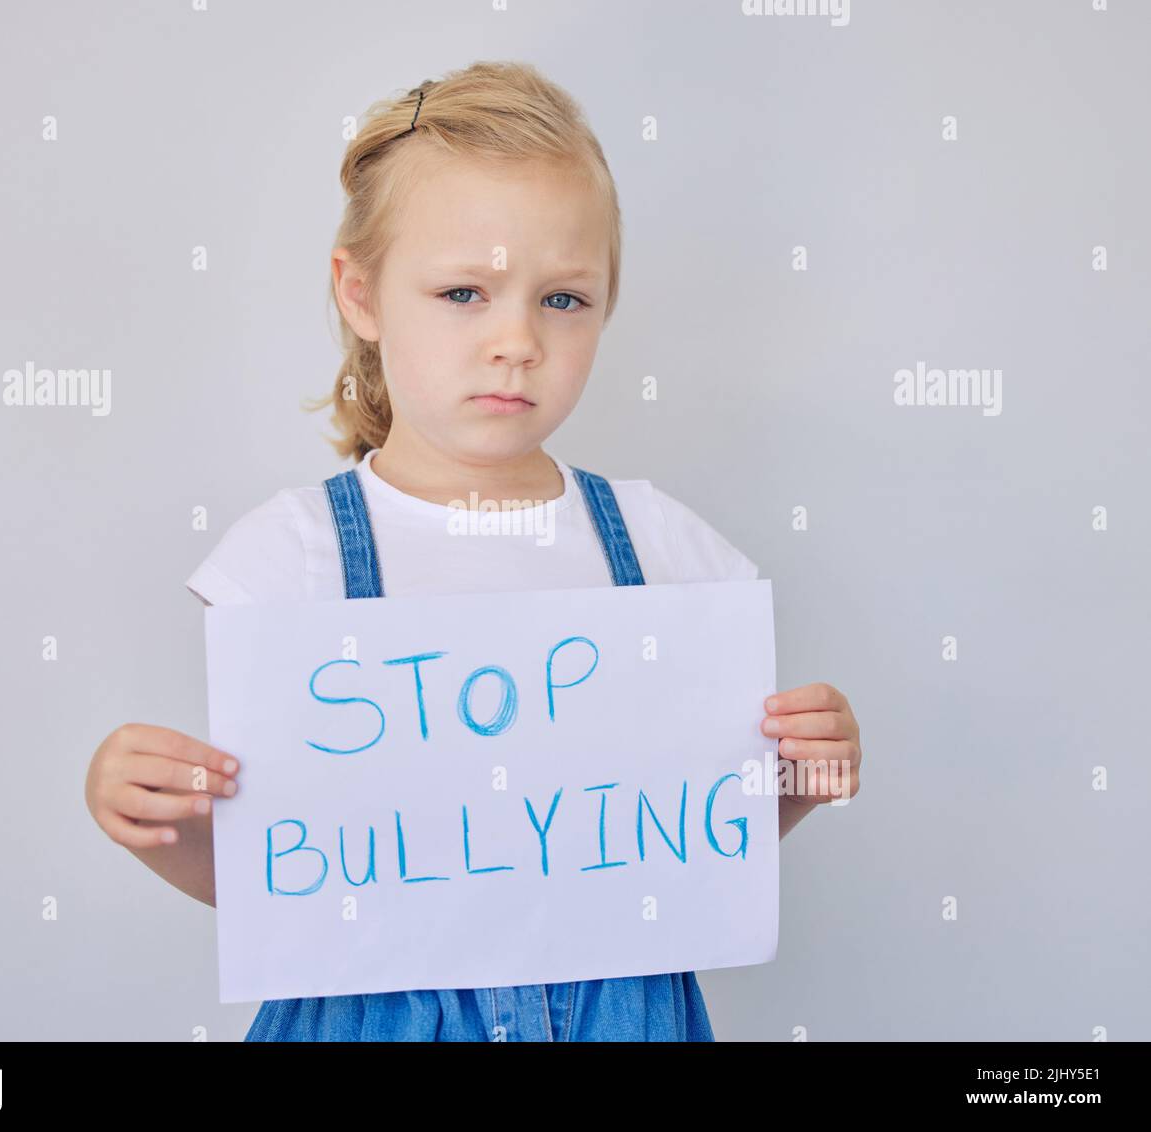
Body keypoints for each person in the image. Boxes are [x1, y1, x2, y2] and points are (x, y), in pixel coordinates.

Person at [84, 59, 862, 1041]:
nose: (515, 341)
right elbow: (273, 878)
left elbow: (694, 843)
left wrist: (795, 779)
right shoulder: (292, 559)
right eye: (463, 292)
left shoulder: (665, 548)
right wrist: (152, 816)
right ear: (361, 296)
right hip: (373, 1012)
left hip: (622, 1013)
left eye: (563, 300)